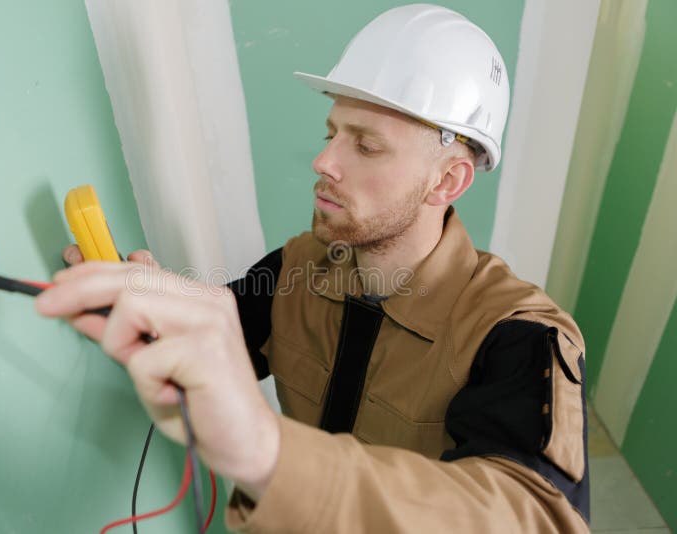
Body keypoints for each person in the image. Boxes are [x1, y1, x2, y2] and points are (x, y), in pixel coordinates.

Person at [38, 4, 589, 532]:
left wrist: (265, 450)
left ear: (447, 181)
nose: (323, 162)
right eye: (332, 134)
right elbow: (222, 332)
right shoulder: (299, 267)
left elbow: (538, 520)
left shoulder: (519, 336)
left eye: (366, 146)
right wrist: (146, 301)